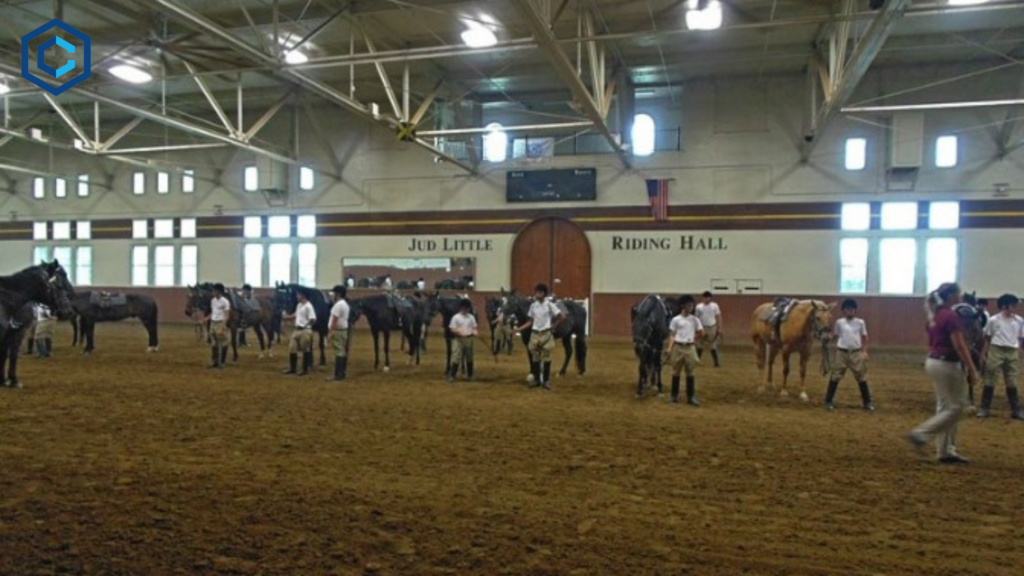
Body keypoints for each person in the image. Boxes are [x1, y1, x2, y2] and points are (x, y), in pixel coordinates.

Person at [908, 283, 979, 464]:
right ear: (950, 296)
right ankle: (921, 433)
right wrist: (971, 368)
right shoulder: (951, 316)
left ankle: (945, 451)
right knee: (959, 408)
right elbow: (960, 345)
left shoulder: (935, 314)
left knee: (945, 407)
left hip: (933, 361)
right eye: (958, 294)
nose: (960, 297)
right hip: (948, 363)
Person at [977, 293, 1024, 420]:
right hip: (996, 349)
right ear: (1004, 305)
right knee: (990, 377)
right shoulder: (993, 320)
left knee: (1012, 380)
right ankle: (984, 408)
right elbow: (987, 339)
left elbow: (1021, 338)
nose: (1015, 307)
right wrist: (983, 354)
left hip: (1012, 351)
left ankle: (1016, 410)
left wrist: (1020, 350)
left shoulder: (1019, 321)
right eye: (1013, 305)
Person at [824, 299, 874, 412]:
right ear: (843, 311)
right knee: (835, 376)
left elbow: (865, 337)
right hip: (841, 352)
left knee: (861, 377)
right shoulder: (839, 322)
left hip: (856, 353)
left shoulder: (860, 322)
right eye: (847, 309)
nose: (849, 311)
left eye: (851, 309)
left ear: (855, 310)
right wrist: (827, 337)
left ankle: (867, 402)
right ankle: (828, 401)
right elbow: (835, 335)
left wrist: (865, 351)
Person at [514, 283, 564, 390]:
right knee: (535, 357)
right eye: (536, 292)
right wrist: (519, 329)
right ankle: (537, 380)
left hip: (545, 333)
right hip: (535, 333)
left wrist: (553, 326)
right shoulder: (533, 306)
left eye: (539, 292)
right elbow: (530, 321)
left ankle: (545, 381)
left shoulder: (550, 305)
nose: (536, 294)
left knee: (546, 357)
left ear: (543, 294)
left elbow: (561, 316)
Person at [665, 295, 705, 405]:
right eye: (689, 305)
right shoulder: (676, 320)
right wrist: (669, 348)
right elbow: (672, 335)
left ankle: (691, 397)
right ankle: (674, 396)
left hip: (689, 347)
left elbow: (702, 332)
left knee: (690, 372)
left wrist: (693, 339)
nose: (691, 307)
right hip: (678, 346)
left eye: (692, 305)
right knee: (675, 372)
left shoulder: (695, 320)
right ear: (683, 306)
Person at [282, 290, 317, 377]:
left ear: (303, 296)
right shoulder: (299, 305)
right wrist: (286, 317)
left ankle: (304, 369)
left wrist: (306, 325)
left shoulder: (309, 306)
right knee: (292, 348)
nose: (297, 297)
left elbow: (313, 319)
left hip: (305, 330)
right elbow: (295, 315)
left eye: (298, 295)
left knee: (306, 349)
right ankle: (292, 368)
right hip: (297, 329)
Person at [448, 298, 478, 382]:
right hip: (458, 340)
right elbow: (452, 328)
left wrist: (475, 332)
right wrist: (458, 332)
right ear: (461, 308)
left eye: (467, 308)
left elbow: (474, 327)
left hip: (469, 339)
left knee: (469, 357)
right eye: (465, 308)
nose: (466, 310)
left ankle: (470, 375)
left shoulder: (471, 317)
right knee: (456, 357)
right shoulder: (456, 317)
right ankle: (452, 375)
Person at [203, 283, 231, 369]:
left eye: (214, 290)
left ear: (218, 291)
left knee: (223, 342)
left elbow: (227, 314)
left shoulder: (225, 301)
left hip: (220, 322)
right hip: (213, 322)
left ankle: (222, 361)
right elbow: (213, 312)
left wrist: (223, 325)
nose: (212, 292)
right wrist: (206, 319)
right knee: (214, 343)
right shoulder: (213, 300)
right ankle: (214, 361)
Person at [326, 285, 351, 382]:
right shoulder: (345, 304)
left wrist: (330, 331)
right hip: (343, 331)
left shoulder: (338, 305)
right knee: (342, 351)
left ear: (338, 294)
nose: (333, 295)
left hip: (338, 331)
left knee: (338, 352)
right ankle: (341, 373)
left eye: (334, 293)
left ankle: (338, 375)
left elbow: (335, 319)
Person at [695, 291, 723, 367]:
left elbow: (718, 316)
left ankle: (716, 362)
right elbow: (696, 318)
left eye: (708, 297)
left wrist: (719, 327)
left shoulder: (714, 306)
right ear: (703, 298)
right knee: (699, 345)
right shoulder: (699, 307)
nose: (706, 299)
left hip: (712, 327)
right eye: (705, 297)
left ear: (710, 298)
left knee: (713, 345)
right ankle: (697, 361)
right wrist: (697, 328)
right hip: (702, 327)